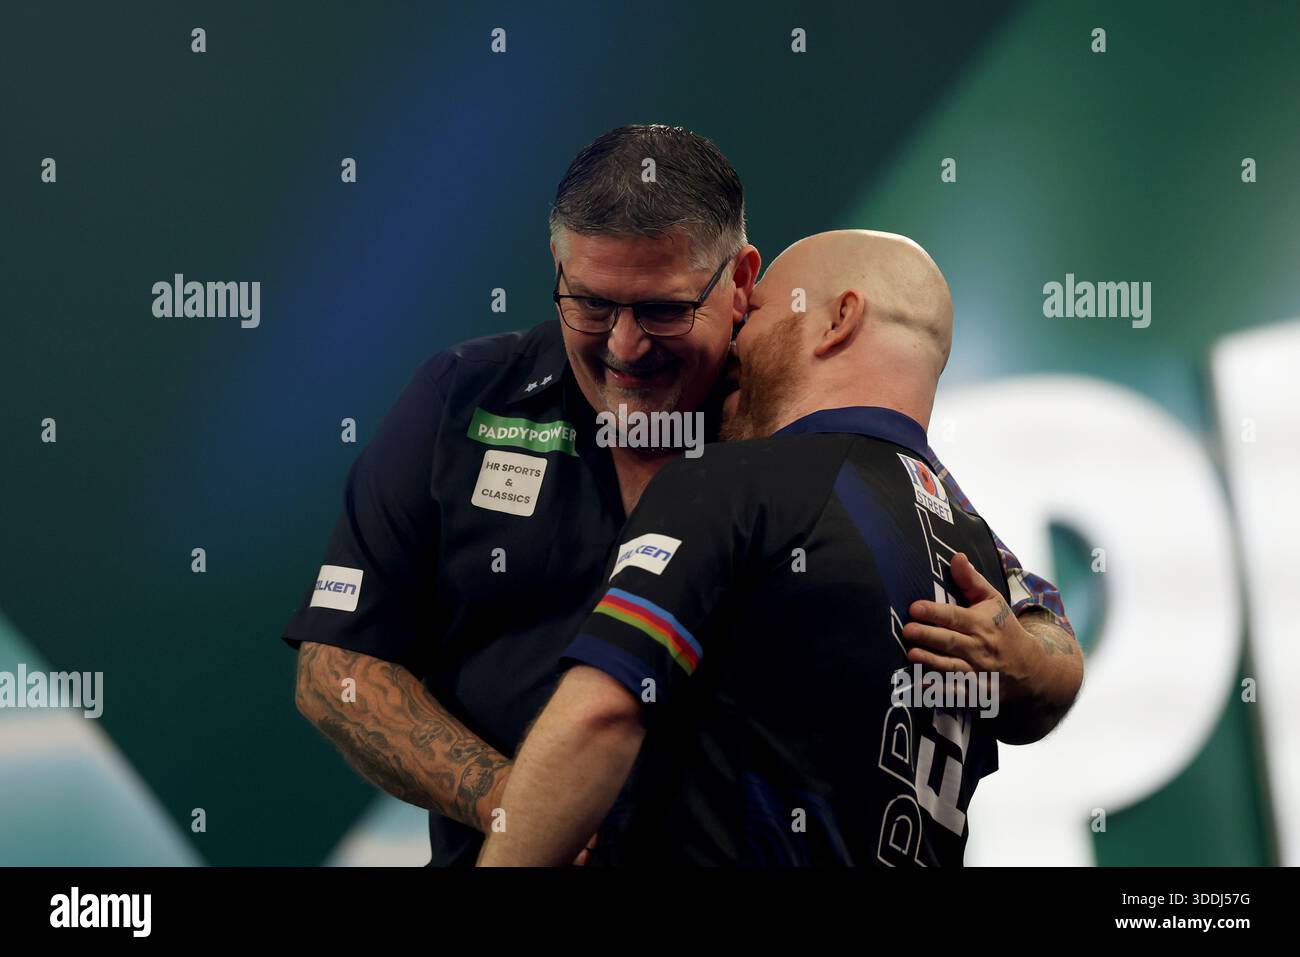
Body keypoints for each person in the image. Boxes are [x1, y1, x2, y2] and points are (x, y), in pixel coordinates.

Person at [283, 127, 1080, 866]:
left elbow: (1015, 602)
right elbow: (336, 666)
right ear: (556, 271)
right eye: (591, 303)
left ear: (740, 282)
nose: (625, 347)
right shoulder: (466, 395)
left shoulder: (782, 420)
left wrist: (1028, 660)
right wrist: (513, 803)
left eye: (663, 311)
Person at [477, 229, 1083, 866]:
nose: (734, 341)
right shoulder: (974, 551)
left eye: (758, 312)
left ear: (839, 321)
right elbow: (1044, 642)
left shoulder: (736, 480)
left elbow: (601, 716)